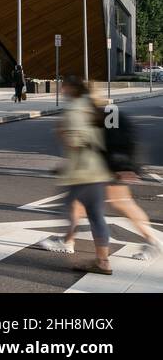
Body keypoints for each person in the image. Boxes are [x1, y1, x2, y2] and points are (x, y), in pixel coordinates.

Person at [38, 75, 133, 271]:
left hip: (82, 173)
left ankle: (67, 241)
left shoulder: (73, 110)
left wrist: (61, 133)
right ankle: (102, 261)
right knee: (96, 215)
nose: (61, 90)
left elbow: (74, 142)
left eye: (63, 87)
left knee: (65, 207)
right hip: (98, 170)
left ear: (70, 89)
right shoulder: (92, 108)